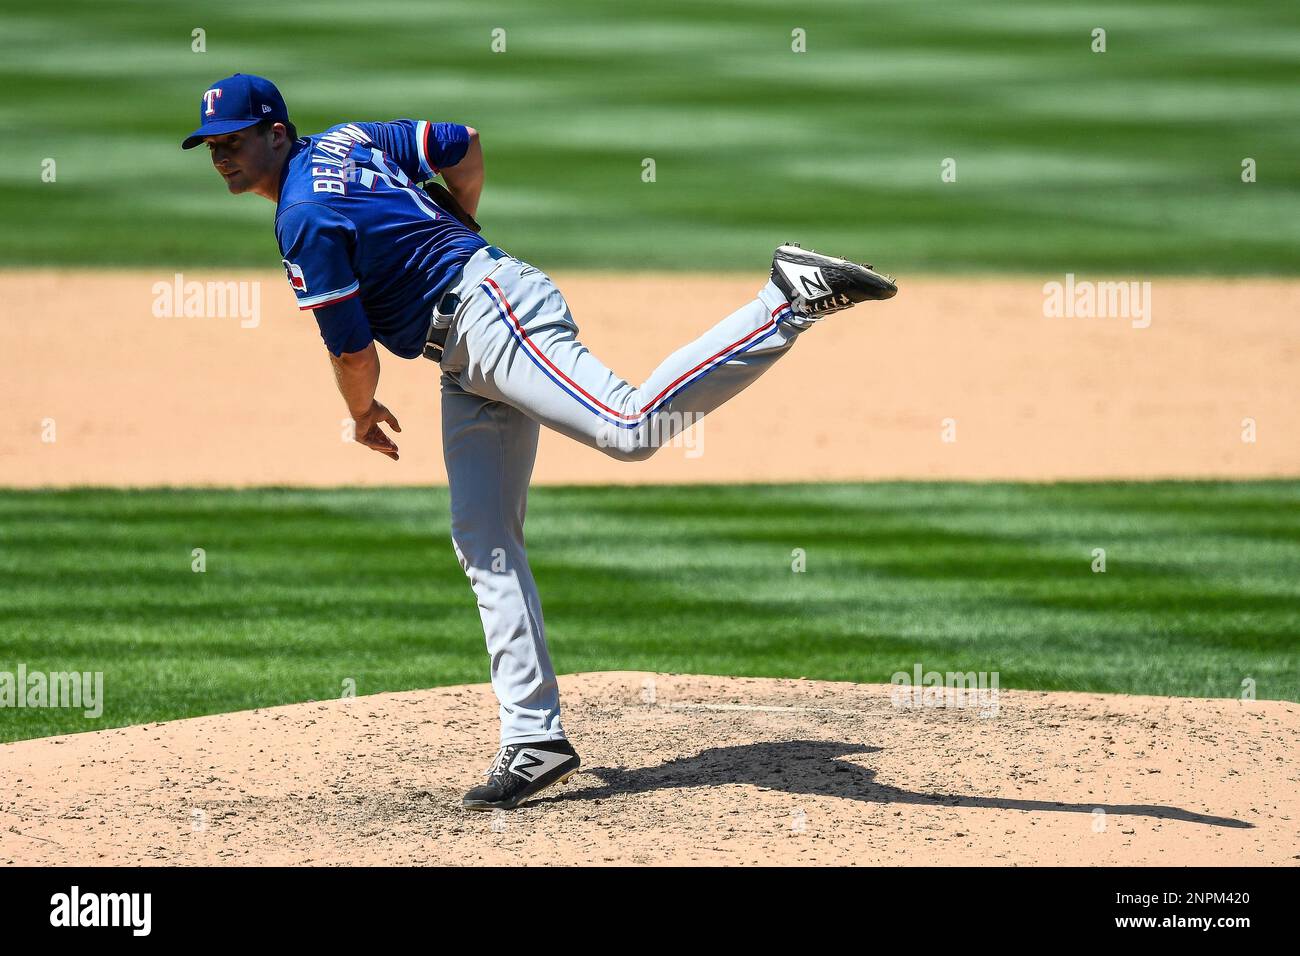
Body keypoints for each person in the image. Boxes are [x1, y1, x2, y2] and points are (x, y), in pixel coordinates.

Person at [182, 73, 897, 811]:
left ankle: (784, 298)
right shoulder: (348, 140)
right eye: (210, 147)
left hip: (490, 316)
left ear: (275, 133)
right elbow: (464, 144)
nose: (220, 157)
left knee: (629, 428)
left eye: (233, 141)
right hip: (467, 349)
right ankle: (534, 738)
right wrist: (457, 226)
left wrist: (362, 414)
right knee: (484, 536)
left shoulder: (301, 216)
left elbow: (352, 352)